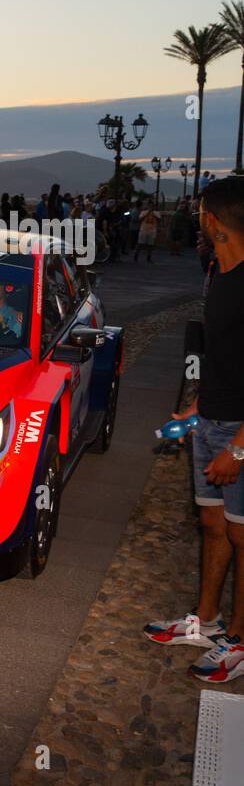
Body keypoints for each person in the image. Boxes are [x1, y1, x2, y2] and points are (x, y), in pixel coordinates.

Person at [144, 176, 244, 683]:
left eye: (200, 212)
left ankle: (241, 644)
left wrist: (240, 450)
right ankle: (205, 622)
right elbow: (227, 358)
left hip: (240, 434)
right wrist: (196, 409)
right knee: (213, 526)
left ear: (213, 220)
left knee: (243, 534)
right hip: (211, 421)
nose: (196, 220)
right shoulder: (218, 274)